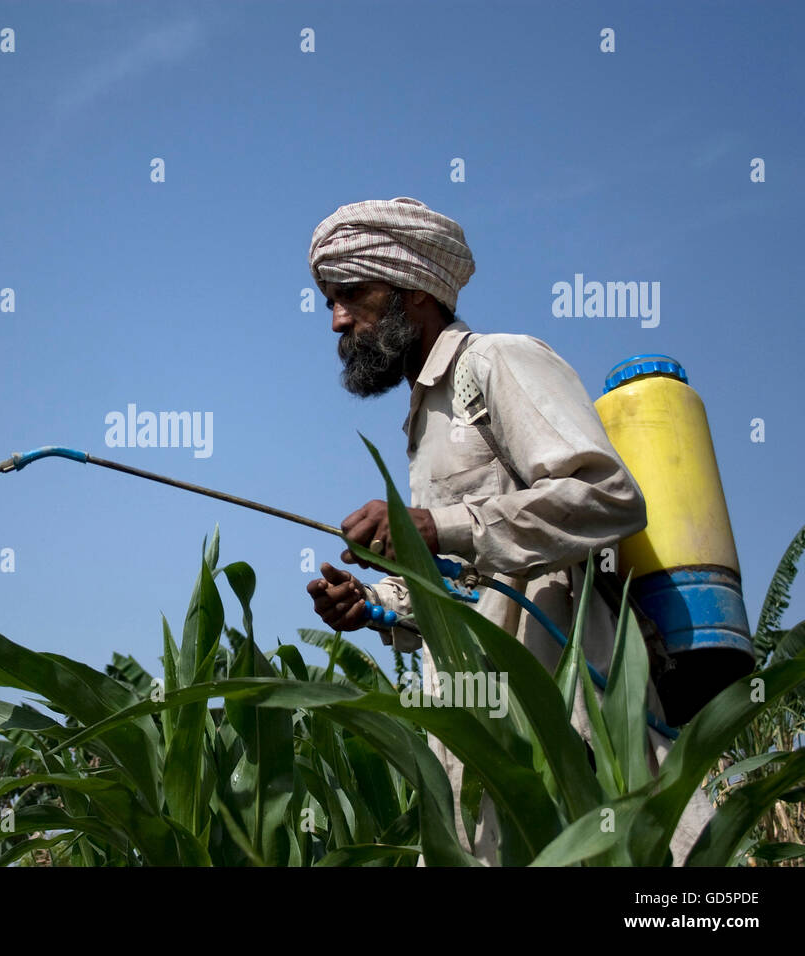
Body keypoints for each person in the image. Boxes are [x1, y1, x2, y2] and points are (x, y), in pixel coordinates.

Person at [303, 197, 713, 864]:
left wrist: (438, 524)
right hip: (485, 747)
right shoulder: (421, 422)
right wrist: (378, 605)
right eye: (329, 300)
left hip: (565, 728)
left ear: (414, 291)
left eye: (351, 294)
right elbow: (474, 582)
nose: (337, 320)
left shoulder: (498, 363)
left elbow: (606, 496)